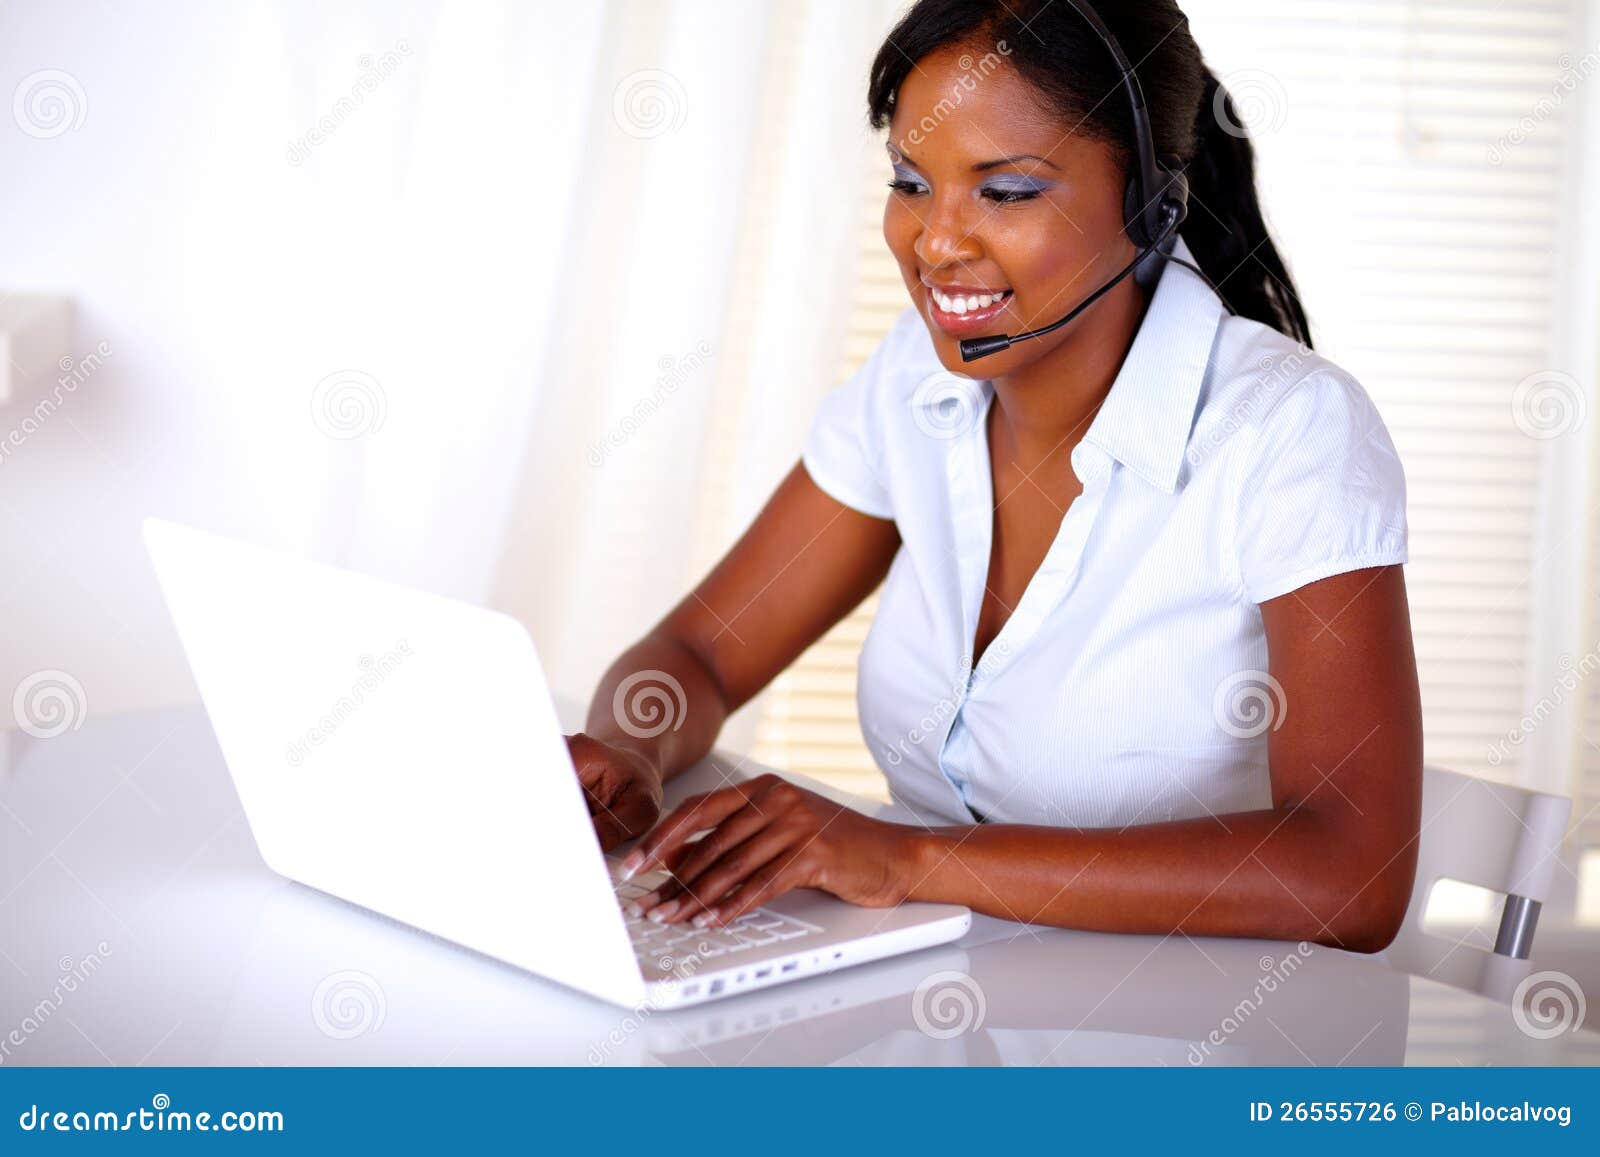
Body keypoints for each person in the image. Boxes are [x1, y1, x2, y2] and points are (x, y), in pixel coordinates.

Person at [565, 0, 1421, 952]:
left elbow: (1355, 874)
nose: (935, 242)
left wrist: (903, 858)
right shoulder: (912, 382)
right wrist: (631, 757)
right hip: (945, 1007)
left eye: (1006, 191)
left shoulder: (1287, 430)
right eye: (910, 181)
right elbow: (703, 653)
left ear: (1150, 202)